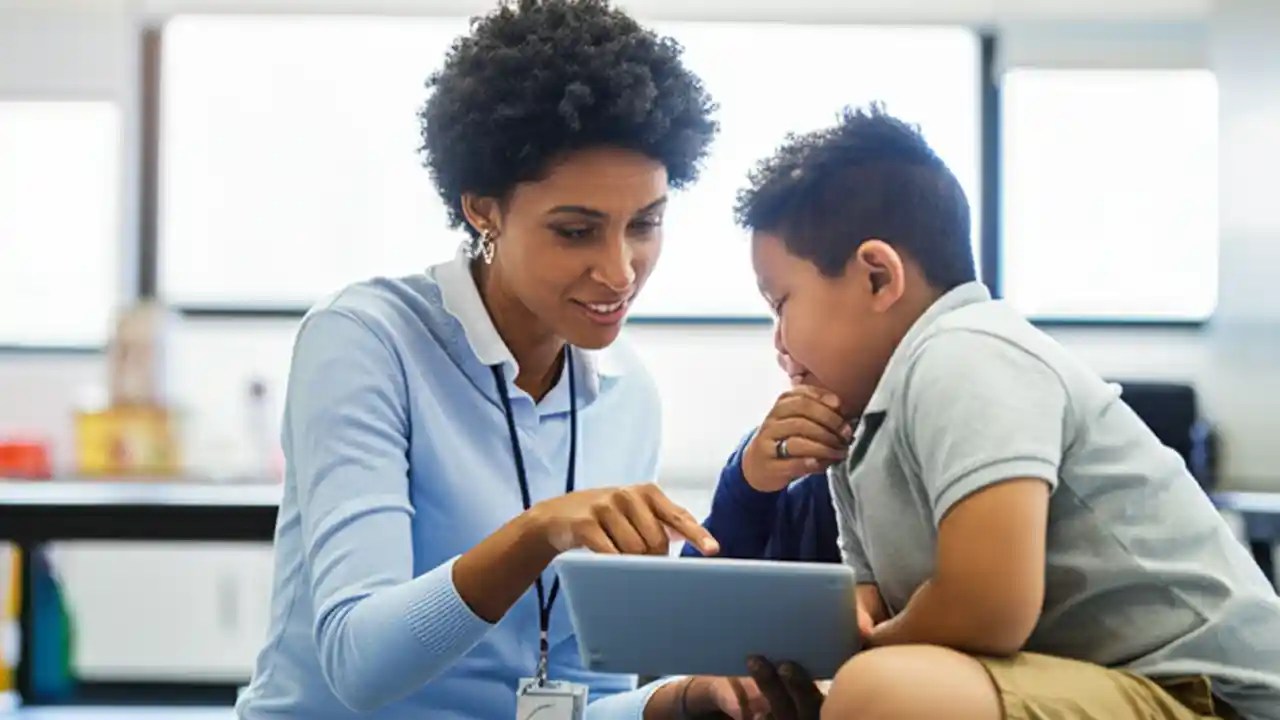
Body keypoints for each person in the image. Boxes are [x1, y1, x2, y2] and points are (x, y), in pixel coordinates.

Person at [233, 2, 783, 717]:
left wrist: (683, 699)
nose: (620, 271)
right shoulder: (365, 341)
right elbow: (357, 663)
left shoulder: (626, 395)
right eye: (576, 231)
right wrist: (537, 533)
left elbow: (585, 694)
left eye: (645, 224)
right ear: (482, 209)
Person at [730, 104, 1280, 719]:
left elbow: (987, 608)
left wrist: (858, 669)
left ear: (878, 277)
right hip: (1089, 679)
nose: (777, 341)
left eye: (781, 303)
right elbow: (868, 607)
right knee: (860, 690)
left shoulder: (966, 352)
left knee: (882, 691)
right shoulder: (860, 427)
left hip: (1209, 695)